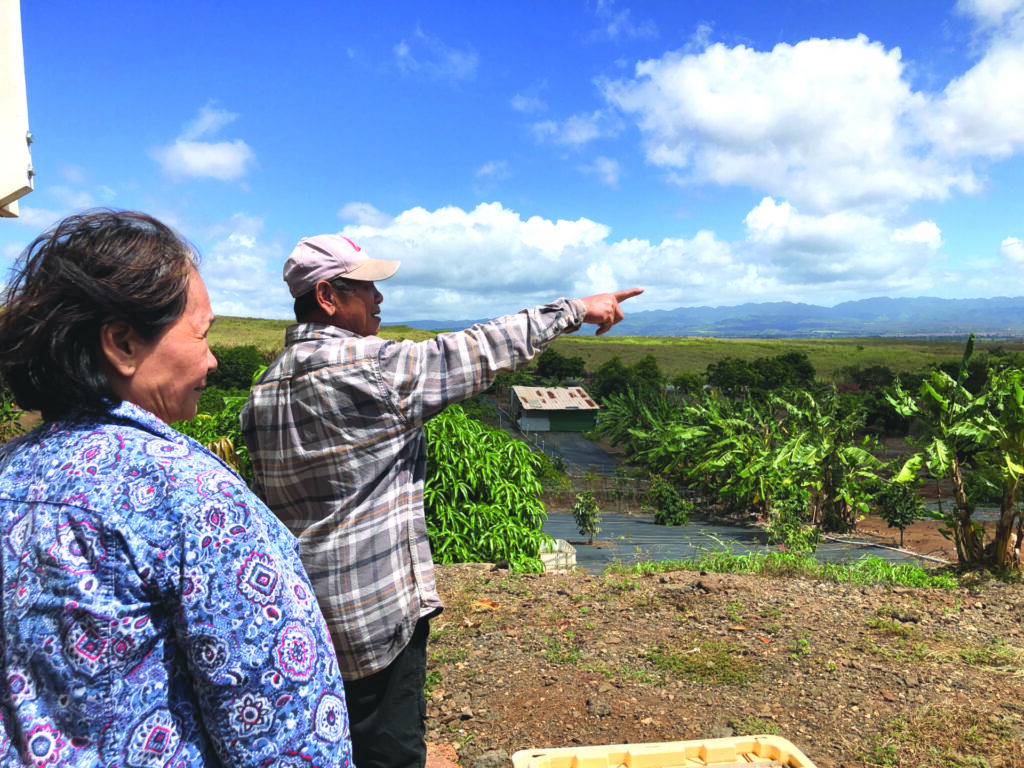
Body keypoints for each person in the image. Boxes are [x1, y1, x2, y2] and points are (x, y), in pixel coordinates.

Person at [240, 233, 642, 768]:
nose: (379, 298)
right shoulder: (371, 369)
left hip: (302, 618)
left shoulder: (263, 390)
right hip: (374, 618)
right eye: (366, 287)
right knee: (391, 754)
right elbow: (476, 349)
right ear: (328, 297)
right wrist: (574, 309)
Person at [0, 211, 353, 767]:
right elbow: (288, 733)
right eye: (202, 333)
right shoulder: (193, 497)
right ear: (122, 343)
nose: (213, 358)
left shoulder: (11, 470)